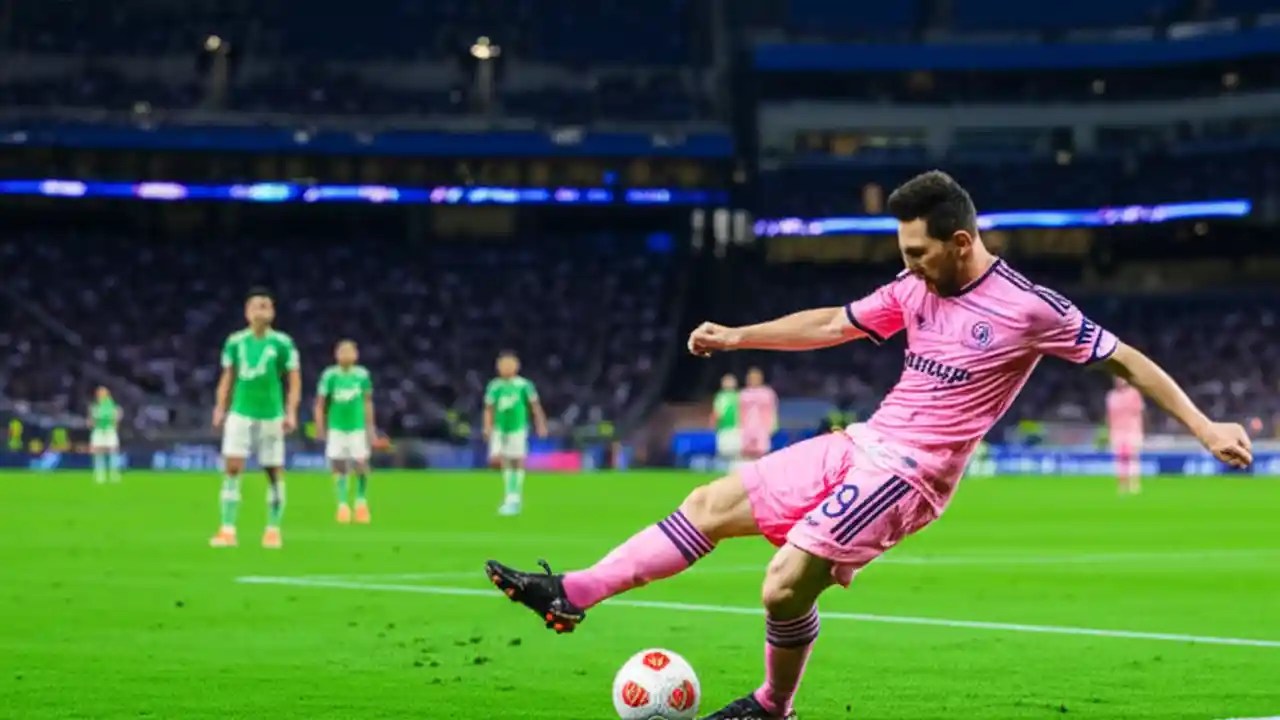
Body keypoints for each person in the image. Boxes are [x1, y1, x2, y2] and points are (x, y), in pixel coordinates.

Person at [483, 171, 1253, 720]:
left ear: (960, 241)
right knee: (708, 502)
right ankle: (573, 592)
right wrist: (738, 335)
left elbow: (1126, 359)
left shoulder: (1028, 309)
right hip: (863, 443)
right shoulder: (915, 288)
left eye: (918, 251)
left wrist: (1206, 426)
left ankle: (771, 706)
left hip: (913, 476)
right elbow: (832, 323)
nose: (906, 265)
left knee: (783, 585)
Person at [209, 288, 301, 549]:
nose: (262, 309)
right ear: (247, 313)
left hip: (271, 414)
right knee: (232, 467)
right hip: (240, 412)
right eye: (257, 305)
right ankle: (228, 529)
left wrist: (291, 412)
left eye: (267, 305)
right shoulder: (235, 342)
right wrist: (220, 407)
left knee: (273, 471)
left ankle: (273, 529)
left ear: (273, 313)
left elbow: (294, 380)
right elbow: (227, 376)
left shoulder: (283, 343)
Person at [315, 340, 376, 524]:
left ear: (356, 355)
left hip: (357, 428)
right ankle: (342, 505)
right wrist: (320, 426)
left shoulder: (362, 375)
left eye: (349, 351)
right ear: (336, 354)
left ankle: (360, 501)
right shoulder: (330, 375)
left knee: (361, 464)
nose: (346, 354)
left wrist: (370, 428)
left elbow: (367, 402)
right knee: (338, 465)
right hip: (336, 428)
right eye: (342, 351)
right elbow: (320, 403)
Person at [483, 351, 548, 516]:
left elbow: (535, 406)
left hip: (517, 428)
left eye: (508, 364)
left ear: (516, 366)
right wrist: (487, 427)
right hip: (499, 429)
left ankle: (514, 495)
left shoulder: (524, 385)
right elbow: (489, 409)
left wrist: (540, 424)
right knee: (498, 460)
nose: (505, 368)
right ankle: (510, 494)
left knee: (516, 460)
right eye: (502, 365)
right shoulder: (495, 386)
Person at [1106, 376, 1146, 495]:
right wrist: (1110, 432)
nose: (1120, 381)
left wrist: (1140, 431)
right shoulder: (1111, 396)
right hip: (1117, 432)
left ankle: (1134, 484)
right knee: (1119, 460)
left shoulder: (1134, 394)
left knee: (1133, 459)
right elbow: (1109, 416)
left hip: (1132, 431)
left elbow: (1139, 413)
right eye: (1118, 379)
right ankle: (1122, 485)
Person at [739, 368, 779, 460]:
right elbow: (739, 411)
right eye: (751, 378)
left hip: (763, 428)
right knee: (747, 453)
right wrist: (739, 426)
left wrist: (773, 425)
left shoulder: (767, 393)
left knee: (762, 452)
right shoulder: (744, 394)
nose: (754, 380)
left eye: (756, 378)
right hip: (747, 428)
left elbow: (773, 409)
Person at [87, 386, 122, 484]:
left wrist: (112, 427)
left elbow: (116, 420)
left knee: (113, 452)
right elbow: (90, 421)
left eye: (103, 393)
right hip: (98, 430)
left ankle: (114, 474)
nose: (101, 395)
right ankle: (100, 475)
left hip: (109, 430)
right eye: (99, 393)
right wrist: (92, 423)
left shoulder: (113, 406)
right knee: (98, 453)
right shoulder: (94, 407)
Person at [712, 374, 741, 469]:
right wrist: (715, 423)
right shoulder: (720, 396)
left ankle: (734, 471)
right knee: (723, 452)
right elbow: (717, 412)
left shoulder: (739, 396)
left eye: (730, 382)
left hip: (736, 429)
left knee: (736, 452)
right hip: (723, 428)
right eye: (726, 382)